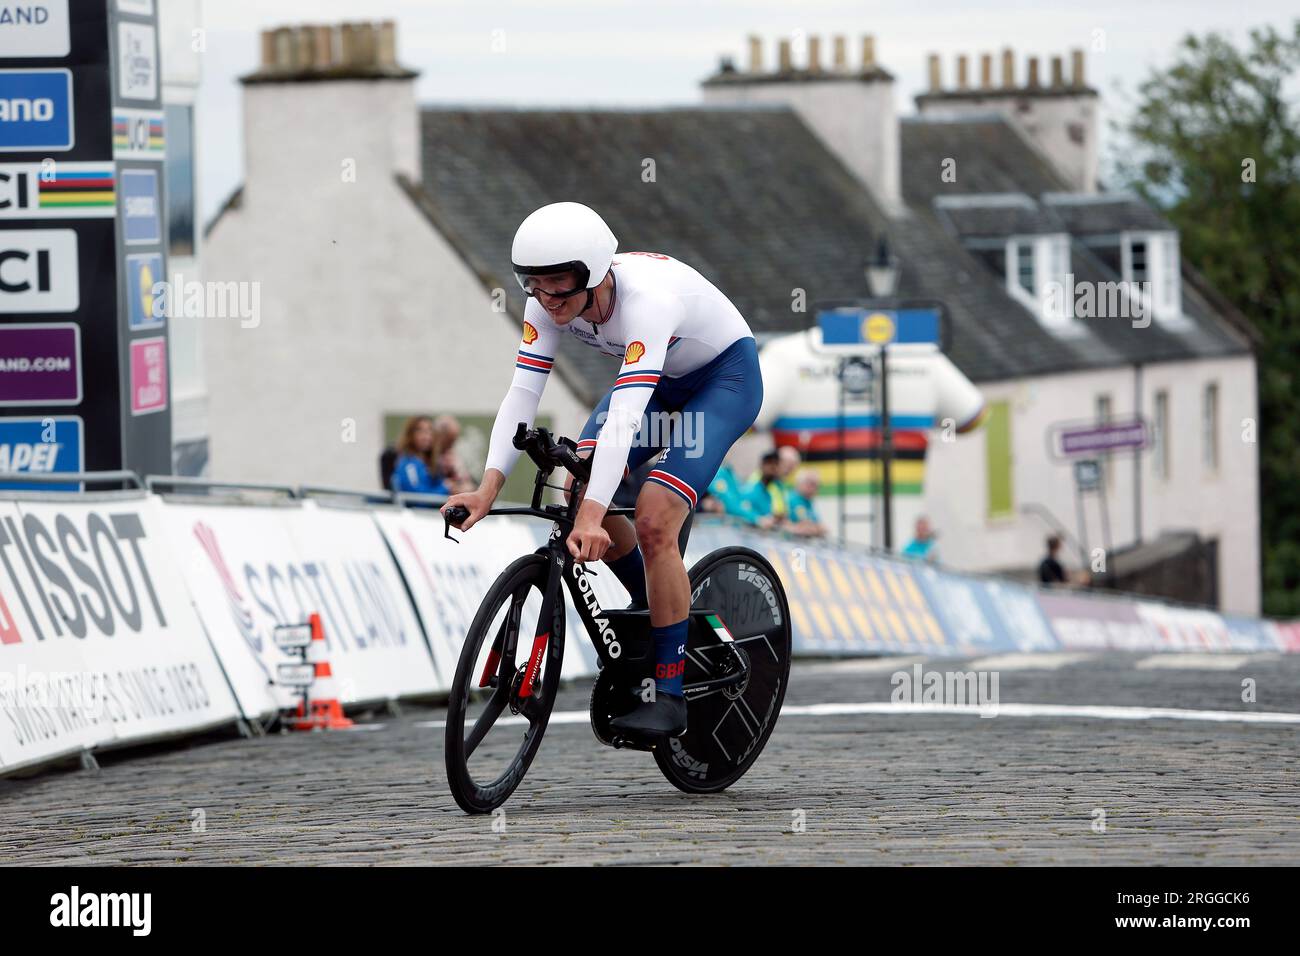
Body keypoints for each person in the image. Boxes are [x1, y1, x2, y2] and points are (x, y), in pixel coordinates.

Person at [442, 202, 761, 738]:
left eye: (560, 285)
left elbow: (626, 418)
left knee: (656, 521)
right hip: (658, 381)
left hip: (722, 381)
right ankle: (654, 602)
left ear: (594, 274)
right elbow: (522, 393)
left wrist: (595, 518)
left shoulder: (647, 303)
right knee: (575, 482)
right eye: (535, 286)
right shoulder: (547, 304)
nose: (548, 299)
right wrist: (487, 488)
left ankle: (670, 693)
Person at [391, 415, 450, 496]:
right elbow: (416, 497)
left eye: (429, 431)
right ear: (411, 435)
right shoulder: (408, 463)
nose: (426, 436)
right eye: (420, 431)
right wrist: (446, 488)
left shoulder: (432, 463)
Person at [740, 450, 785, 530]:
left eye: (776, 463)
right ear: (761, 465)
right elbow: (742, 510)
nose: (773, 467)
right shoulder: (751, 488)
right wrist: (757, 519)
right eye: (769, 463)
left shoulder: (772, 490)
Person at [431, 414, 476, 494]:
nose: (451, 445)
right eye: (450, 440)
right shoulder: (426, 455)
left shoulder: (451, 454)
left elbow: (467, 481)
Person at [785, 468, 826, 538]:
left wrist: (814, 528)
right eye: (812, 484)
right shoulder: (790, 500)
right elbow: (804, 527)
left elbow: (822, 527)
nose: (816, 489)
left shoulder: (808, 502)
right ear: (800, 483)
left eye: (818, 486)